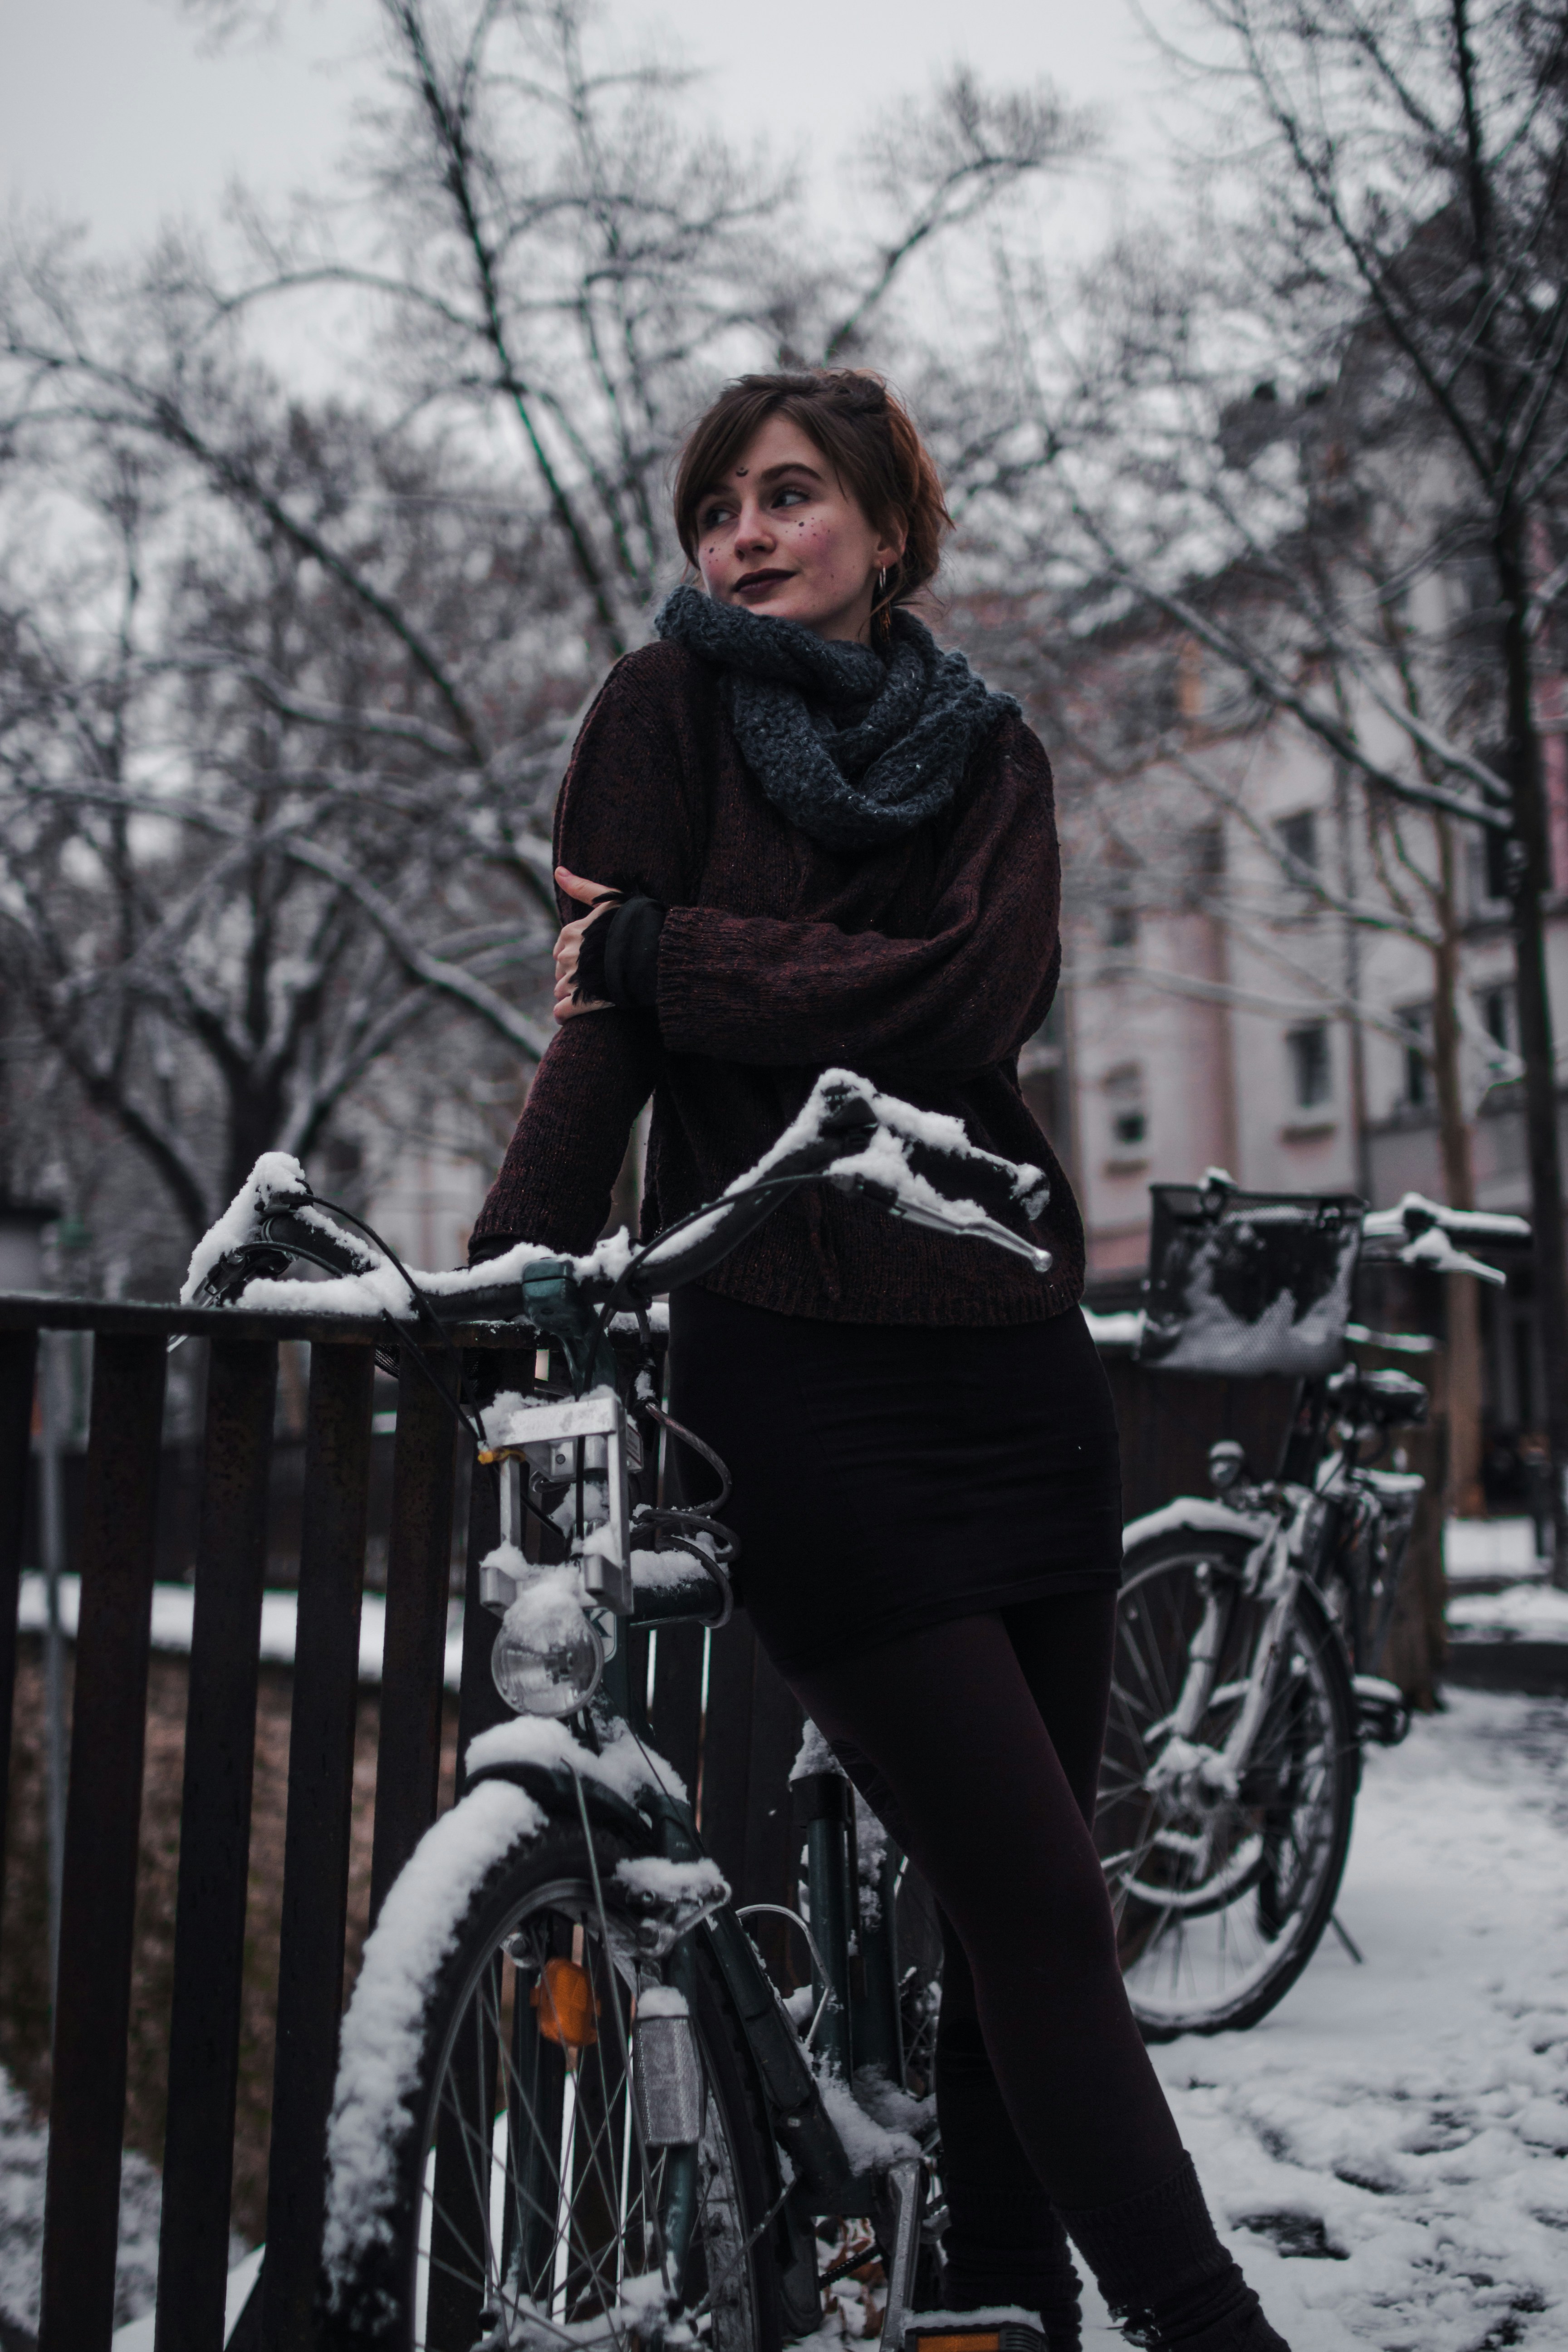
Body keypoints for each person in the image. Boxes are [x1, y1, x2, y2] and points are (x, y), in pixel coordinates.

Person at [468, 369, 1289, 2352]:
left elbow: (966, 997)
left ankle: (1010, 2305)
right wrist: (508, 1264)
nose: (744, 535)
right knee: (1027, 1898)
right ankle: (1213, 2327)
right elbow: (603, 1031)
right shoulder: (658, 713)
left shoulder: (987, 751)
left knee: (1047, 1909)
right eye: (717, 507)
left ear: (889, 530)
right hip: (796, 1380)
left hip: (1014, 1354)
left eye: (789, 496)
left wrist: (681, 952)